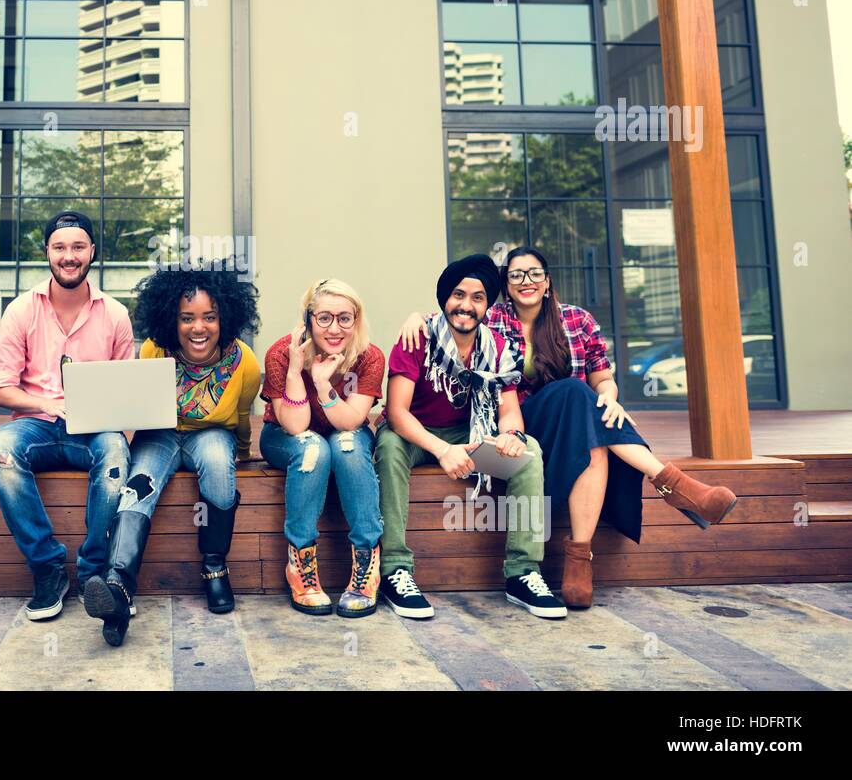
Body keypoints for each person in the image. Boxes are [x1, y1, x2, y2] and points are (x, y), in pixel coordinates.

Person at [400, 245, 738, 609]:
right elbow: (452, 313)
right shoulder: (492, 317)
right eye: (515, 275)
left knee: (590, 421)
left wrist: (608, 396)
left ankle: (580, 558)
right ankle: (676, 485)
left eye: (534, 274)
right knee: (577, 395)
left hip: (573, 426)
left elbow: (603, 379)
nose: (525, 281)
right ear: (506, 285)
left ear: (547, 282)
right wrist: (414, 317)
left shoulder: (577, 320)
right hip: (519, 422)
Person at [375, 254, 566, 620]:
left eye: (477, 298)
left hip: (470, 435)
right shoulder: (418, 337)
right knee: (388, 443)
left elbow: (509, 407)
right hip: (416, 435)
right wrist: (442, 449)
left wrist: (511, 434)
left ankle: (523, 572)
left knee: (529, 452)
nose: (466, 305)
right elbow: (397, 412)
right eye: (458, 295)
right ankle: (395, 569)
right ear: (445, 298)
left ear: (487, 305)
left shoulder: (496, 347)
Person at [83, 262, 261, 647]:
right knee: (137, 486)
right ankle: (118, 585)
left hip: (212, 434)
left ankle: (215, 568)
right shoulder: (153, 349)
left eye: (209, 317)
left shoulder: (244, 362)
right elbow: (142, 405)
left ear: (225, 317)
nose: (199, 328)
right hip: (159, 434)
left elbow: (243, 415)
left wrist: (243, 454)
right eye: (187, 318)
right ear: (171, 320)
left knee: (217, 463)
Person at [0, 211, 134, 621]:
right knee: (1, 448)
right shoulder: (20, 311)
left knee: (117, 453)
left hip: (94, 429)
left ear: (92, 252)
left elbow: (127, 391)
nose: (69, 256)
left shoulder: (116, 314)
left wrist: (123, 436)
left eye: (78, 247)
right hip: (38, 425)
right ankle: (48, 568)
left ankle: (93, 573)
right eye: (60, 247)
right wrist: (45, 404)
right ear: (47, 253)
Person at [259, 278, 385, 617]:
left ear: (356, 320)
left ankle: (366, 562)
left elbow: (351, 420)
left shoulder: (369, 357)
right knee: (314, 448)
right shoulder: (280, 353)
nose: (335, 328)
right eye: (324, 318)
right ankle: (300, 565)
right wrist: (297, 371)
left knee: (345, 446)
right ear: (308, 319)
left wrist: (322, 384)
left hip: (344, 429)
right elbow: (296, 426)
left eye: (345, 318)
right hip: (284, 435)